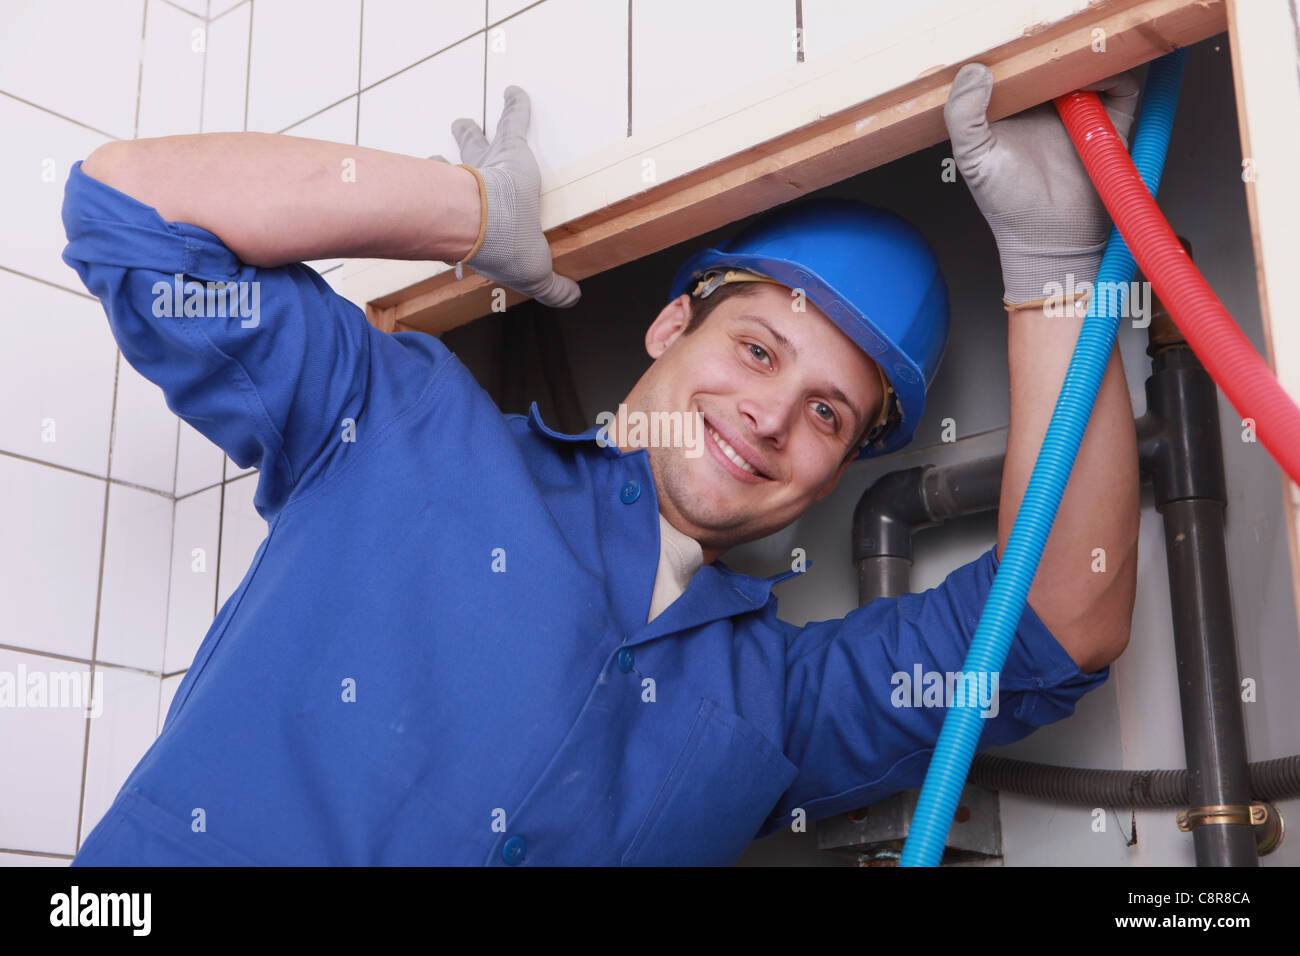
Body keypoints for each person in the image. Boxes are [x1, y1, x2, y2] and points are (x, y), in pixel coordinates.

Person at [64, 66, 1139, 866]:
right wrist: (472, 215)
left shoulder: (782, 703)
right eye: (755, 349)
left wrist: (1056, 277)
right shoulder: (399, 420)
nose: (767, 415)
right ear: (671, 322)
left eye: (825, 412)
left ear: (842, 466)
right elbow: (129, 216)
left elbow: (1061, 621)